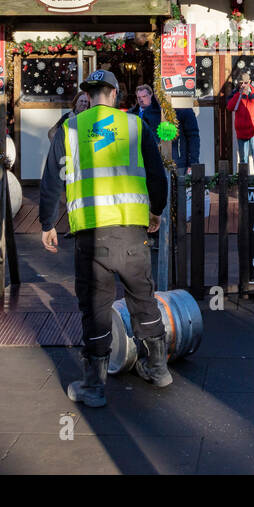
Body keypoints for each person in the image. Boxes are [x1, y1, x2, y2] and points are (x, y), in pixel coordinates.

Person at [39, 69, 170, 408]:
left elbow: (53, 178)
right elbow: (156, 174)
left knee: (95, 307)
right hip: (131, 232)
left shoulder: (70, 129)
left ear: (90, 94)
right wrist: (156, 210)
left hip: (90, 236)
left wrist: (47, 222)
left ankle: (94, 387)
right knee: (143, 297)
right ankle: (157, 368)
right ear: (114, 94)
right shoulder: (135, 126)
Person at [226, 72, 254, 166]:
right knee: (243, 160)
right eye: (241, 83)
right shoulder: (235, 93)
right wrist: (239, 95)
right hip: (241, 131)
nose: (243, 85)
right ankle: (244, 179)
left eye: (246, 82)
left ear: (250, 82)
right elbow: (230, 107)